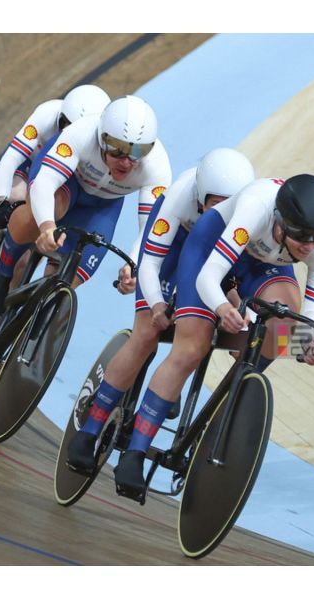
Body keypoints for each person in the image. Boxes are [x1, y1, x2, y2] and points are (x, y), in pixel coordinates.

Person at [89, 174, 314, 496]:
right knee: (193, 346)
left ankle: (229, 399)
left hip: (262, 264)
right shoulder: (255, 207)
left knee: (285, 321)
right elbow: (210, 276)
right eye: (303, 236)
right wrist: (222, 308)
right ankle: (135, 451)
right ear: (282, 221)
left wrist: (313, 350)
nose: (310, 245)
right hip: (211, 248)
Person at [66, 148, 255, 471]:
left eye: (230, 206)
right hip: (174, 246)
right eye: (215, 205)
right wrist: (155, 305)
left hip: (215, 254)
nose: (221, 215)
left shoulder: (251, 214)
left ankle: (168, 388)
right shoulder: (178, 198)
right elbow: (150, 264)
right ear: (199, 198)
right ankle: (90, 429)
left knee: (233, 336)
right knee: (147, 333)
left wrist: (252, 319)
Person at [0, 95, 172, 318]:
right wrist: (47, 225)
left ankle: (21, 325)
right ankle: (3, 271)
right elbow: (45, 182)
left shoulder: (157, 166)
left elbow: (151, 228)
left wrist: (134, 266)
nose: (126, 161)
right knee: (39, 213)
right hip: (69, 184)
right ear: (102, 138)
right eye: (118, 149)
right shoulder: (82, 132)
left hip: (101, 207)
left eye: (137, 152)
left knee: (67, 282)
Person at [0, 84, 111, 292]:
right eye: (65, 126)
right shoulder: (46, 114)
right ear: (60, 116)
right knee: (15, 196)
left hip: (64, 185)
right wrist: (2, 199)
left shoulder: (95, 147)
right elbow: (11, 158)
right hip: (31, 167)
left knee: (22, 263)